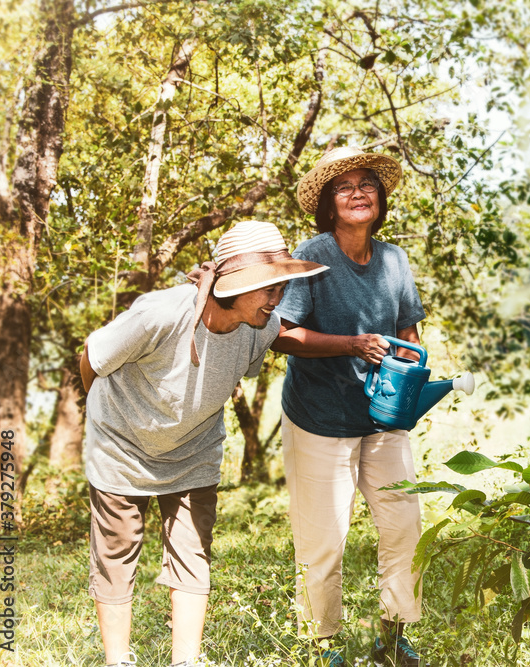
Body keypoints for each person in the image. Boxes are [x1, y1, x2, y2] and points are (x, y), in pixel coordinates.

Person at [80, 220, 326, 667]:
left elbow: (287, 343)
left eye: (281, 287)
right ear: (231, 286)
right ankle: (118, 660)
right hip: (120, 445)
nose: (278, 299)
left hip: (194, 449)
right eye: (268, 287)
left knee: (192, 553)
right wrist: (107, 421)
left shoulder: (258, 327)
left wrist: (354, 344)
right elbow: (92, 359)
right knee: (116, 555)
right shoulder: (160, 313)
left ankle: (186, 661)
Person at [271, 146, 426, 667]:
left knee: (405, 525)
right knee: (324, 541)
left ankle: (395, 635)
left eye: (367, 185)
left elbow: (408, 328)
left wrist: (405, 371)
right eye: (345, 187)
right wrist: (353, 344)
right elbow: (283, 335)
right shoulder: (313, 254)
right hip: (319, 418)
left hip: (383, 419)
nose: (358, 193)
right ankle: (323, 646)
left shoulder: (394, 260)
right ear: (329, 205)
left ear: (380, 199)